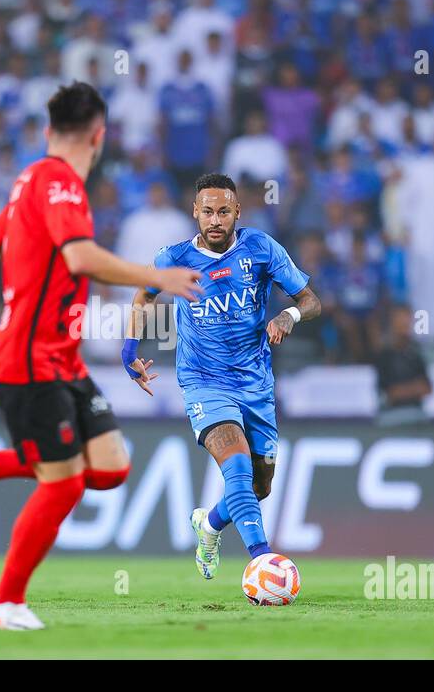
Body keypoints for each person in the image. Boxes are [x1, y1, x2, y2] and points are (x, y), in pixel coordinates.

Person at [0, 83, 202, 631]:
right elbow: (80, 256)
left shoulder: (27, 180)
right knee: (62, 484)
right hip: (28, 362)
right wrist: (157, 277)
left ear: (47, 131)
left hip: (60, 359)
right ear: (100, 136)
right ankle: (4, 603)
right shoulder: (59, 181)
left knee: (110, 468)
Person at [124, 173, 320, 581]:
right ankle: (263, 561)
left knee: (259, 488)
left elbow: (310, 299)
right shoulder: (174, 258)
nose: (215, 220)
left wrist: (288, 314)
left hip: (255, 384)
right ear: (195, 213)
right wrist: (130, 351)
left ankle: (210, 523)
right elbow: (144, 295)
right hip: (203, 381)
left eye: (224, 212)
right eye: (207, 211)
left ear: (237, 213)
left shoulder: (261, 248)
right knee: (238, 470)